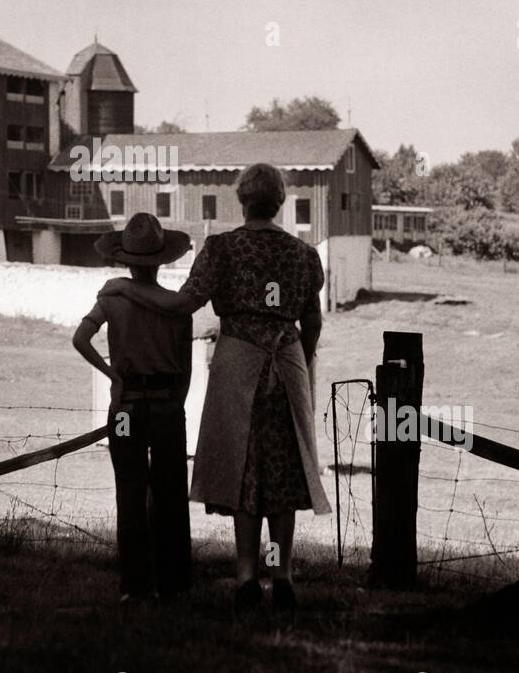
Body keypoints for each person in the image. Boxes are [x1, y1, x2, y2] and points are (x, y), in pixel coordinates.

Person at [99, 163, 331, 615]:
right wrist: (296, 361)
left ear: (241, 200)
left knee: (243, 467)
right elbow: (313, 323)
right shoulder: (304, 255)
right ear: (280, 202)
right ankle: (280, 574)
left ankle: (246, 576)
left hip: (237, 363)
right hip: (288, 366)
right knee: (284, 470)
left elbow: (183, 303)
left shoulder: (223, 249)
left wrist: (124, 290)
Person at [73, 212, 194, 602]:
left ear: (125, 259)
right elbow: (186, 367)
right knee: (171, 494)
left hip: (125, 409)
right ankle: (173, 584)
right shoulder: (178, 306)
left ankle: (135, 586)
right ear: (161, 261)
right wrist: (177, 402)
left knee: (129, 492)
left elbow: (80, 338)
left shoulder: (112, 297)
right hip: (166, 407)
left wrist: (113, 375)